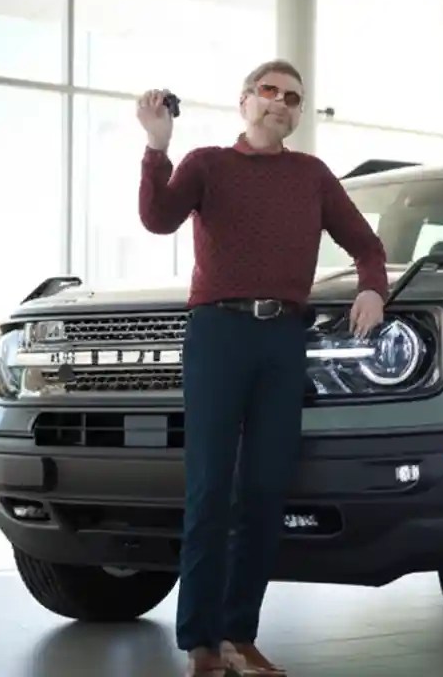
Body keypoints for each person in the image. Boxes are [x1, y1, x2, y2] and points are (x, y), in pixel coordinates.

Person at [136, 60, 389, 677]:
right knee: (209, 490)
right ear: (245, 100)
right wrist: (155, 147)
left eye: (293, 98)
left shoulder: (312, 175)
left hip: (283, 338)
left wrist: (372, 290)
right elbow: (158, 218)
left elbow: (367, 244)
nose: (280, 103)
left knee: (267, 490)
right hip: (218, 334)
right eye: (269, 92)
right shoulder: (205, 163)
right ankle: (200, 645)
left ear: (299, 114)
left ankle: (238, 637)